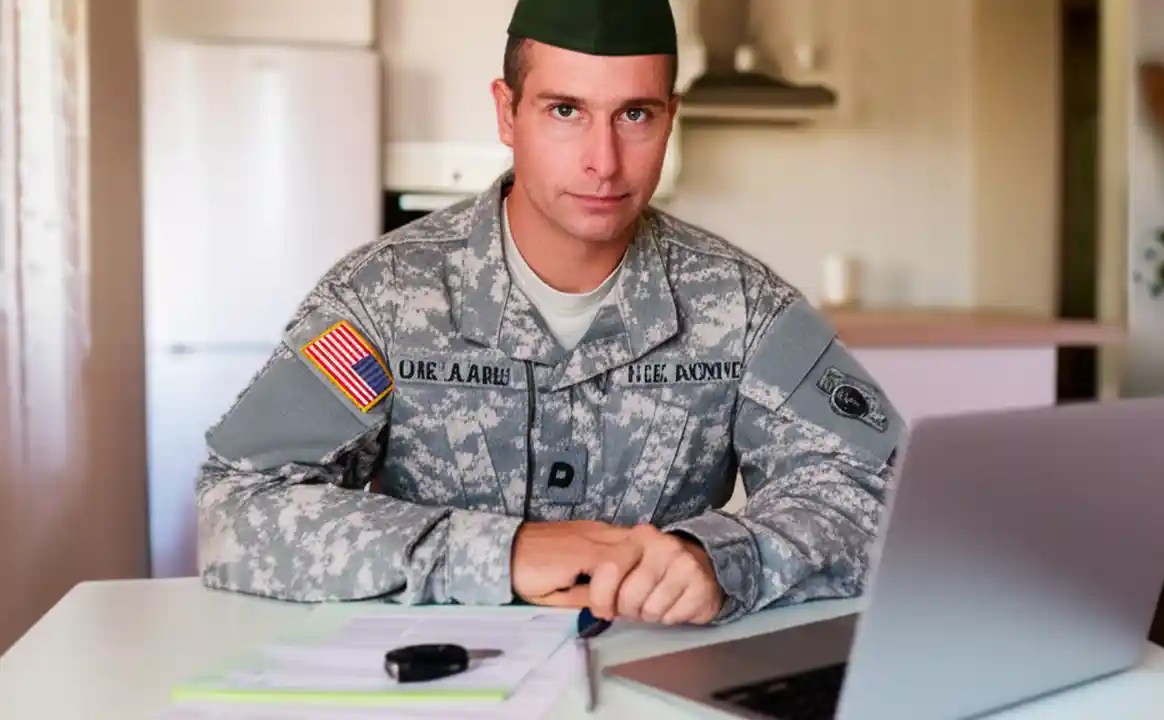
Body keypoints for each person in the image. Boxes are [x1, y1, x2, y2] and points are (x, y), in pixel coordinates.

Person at [196, 0, 904, 627]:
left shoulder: (742, 306)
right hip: (441, 683)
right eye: (566, 110)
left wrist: (726, 558)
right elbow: (237, 505)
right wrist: (500, 553)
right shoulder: (383, 296)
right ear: (507, 112)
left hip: (654, 680)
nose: (604, 161)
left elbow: (878, 491)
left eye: (635, 115)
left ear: (670, 119)